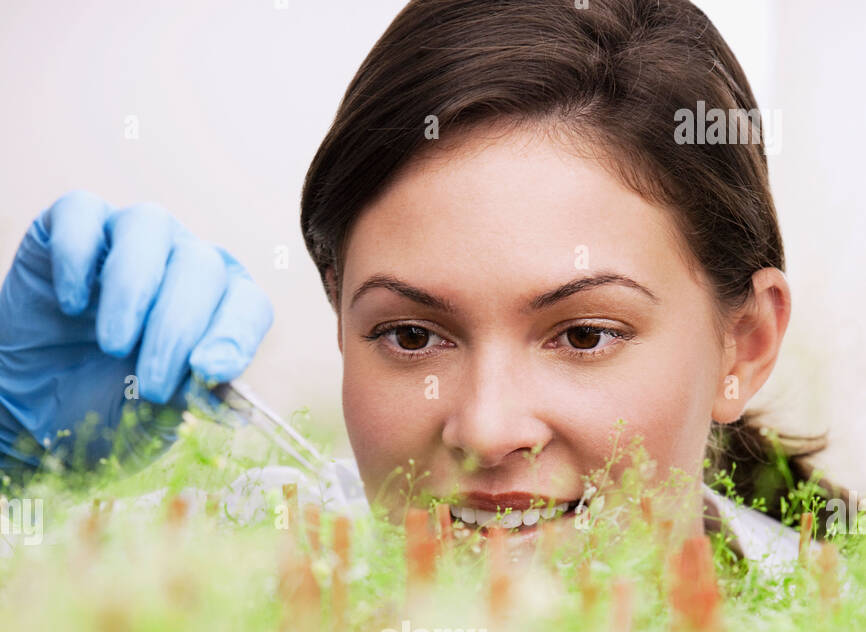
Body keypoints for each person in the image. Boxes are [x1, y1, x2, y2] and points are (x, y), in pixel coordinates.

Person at [0, 0, 839, 568]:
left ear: (745, 344)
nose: (485, 428)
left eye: (585, 334)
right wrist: (20, 478)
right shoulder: (234, 564)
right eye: (411, 335)